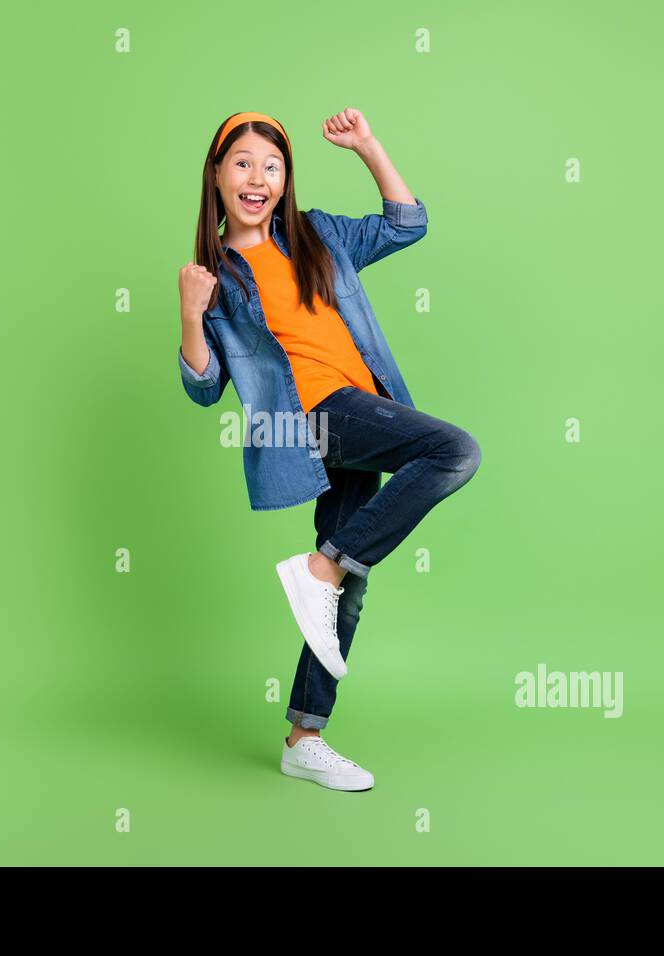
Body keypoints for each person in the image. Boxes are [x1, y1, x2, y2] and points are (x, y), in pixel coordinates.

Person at [177, 109, 481, 791]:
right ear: (218, 176)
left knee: (348, 587)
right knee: (453, 451)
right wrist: (191, 314)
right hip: (306, 419)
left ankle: (303, 736)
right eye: (245, 164)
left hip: (358, 409)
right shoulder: (216, 276)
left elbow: (407, 222)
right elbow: (203, 388)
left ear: (285, 181)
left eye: (273, 167)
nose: (259, 178)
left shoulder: (318, 235)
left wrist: (368, 145)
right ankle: (321, 565)